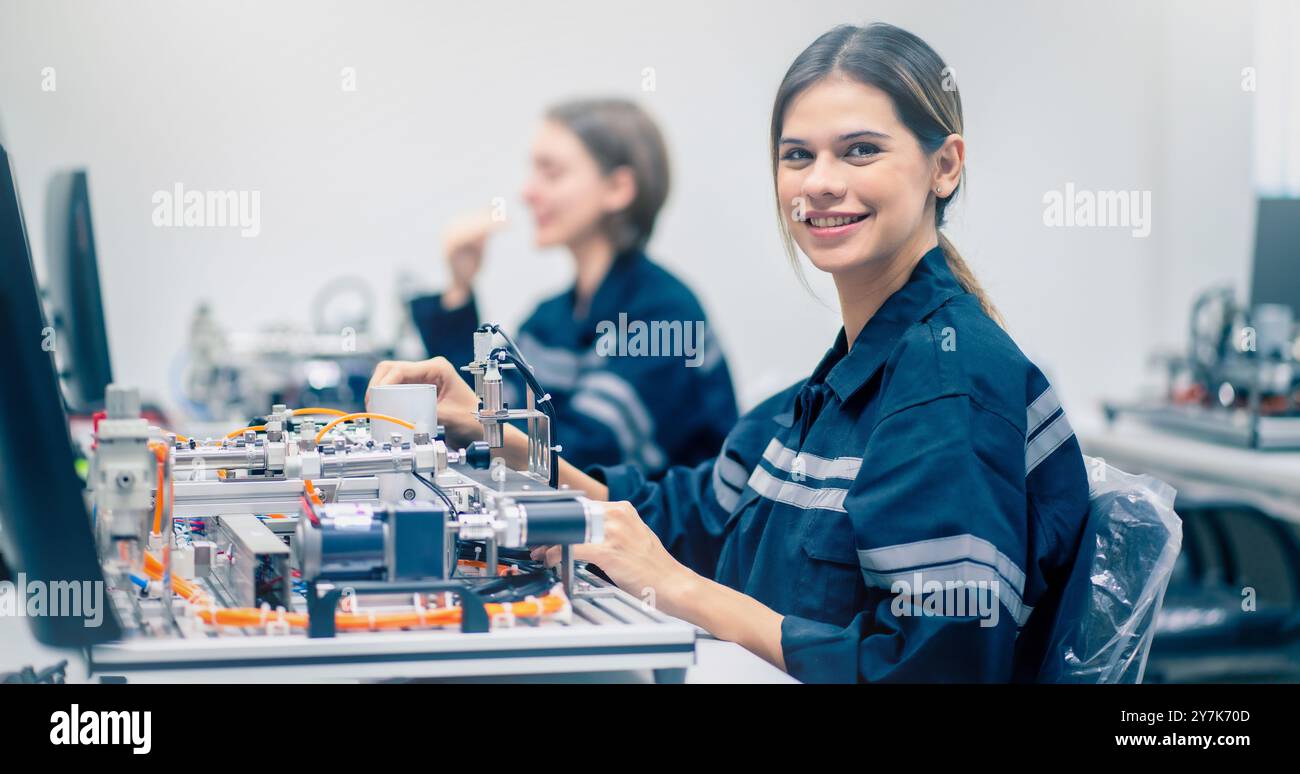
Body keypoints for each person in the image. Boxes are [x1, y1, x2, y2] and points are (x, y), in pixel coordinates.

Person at [372, 23, 1090, 683]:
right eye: (797, 156)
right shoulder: (843, 379)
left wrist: (681, 589)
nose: (820, 183)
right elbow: (689, 517)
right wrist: (490, 429)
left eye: (860, 150)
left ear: (945, 166)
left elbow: (936, 667)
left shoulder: (946, 386)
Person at [387, 98, 738, 475]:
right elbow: (485, 412)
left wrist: (470, 423)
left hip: (661, 535)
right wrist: (459, 287)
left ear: (618, 188)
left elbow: (576, 456)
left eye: (551, 174)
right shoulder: (550, 317)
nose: (527, 193)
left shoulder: (668, 318)